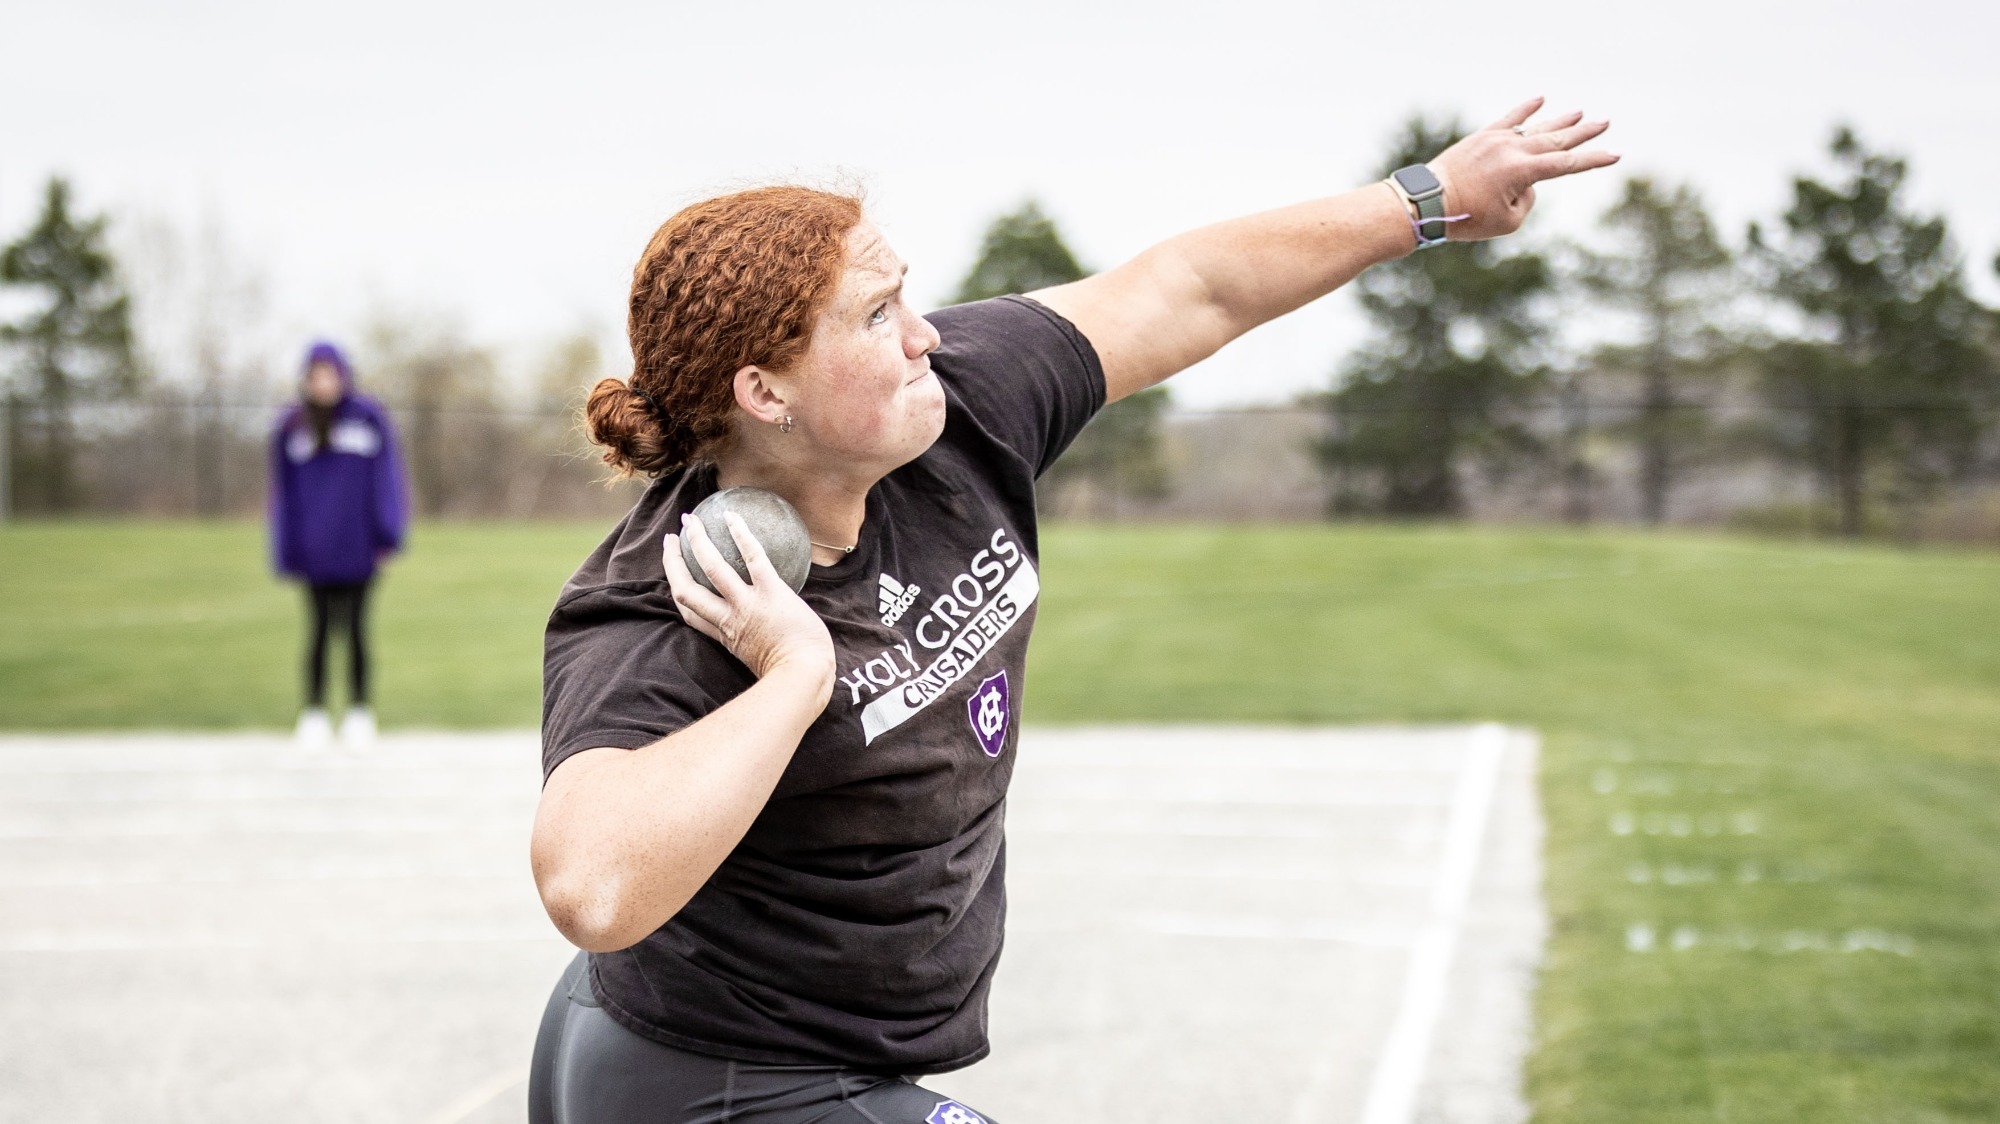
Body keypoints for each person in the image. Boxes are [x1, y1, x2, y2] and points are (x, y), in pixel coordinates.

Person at [529, 98, 1616, 1123]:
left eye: (906, 294)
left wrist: (1425, 200)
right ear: (765, 394)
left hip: (829, 1058)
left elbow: (1184, 288)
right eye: (875, 315)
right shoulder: (675, 601)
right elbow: (592, 886)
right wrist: (795, 676)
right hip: (710, 1079)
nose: (925, 336)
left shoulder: (955, 415)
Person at [268, 340, 409, 753]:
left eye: (331, 373)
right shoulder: (292, 427)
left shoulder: (368, 419)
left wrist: (387, 534)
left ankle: (359, 712)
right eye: (316, 374)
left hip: (359, 547)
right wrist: (287, 549)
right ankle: (313, 712)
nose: (324, 382)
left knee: (358, 631)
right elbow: (284, 497)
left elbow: (387, 481)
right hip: (314, 549)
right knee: (317, 631)